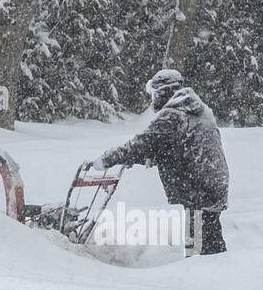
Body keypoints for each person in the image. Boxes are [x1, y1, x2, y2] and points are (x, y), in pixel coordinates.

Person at [89, 69, 230, 256]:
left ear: (163, 92)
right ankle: (217, 269)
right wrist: (149, 156)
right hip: (212, 181)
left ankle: (203, 273)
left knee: (199, 245)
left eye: (154, 94)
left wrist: (105, 160)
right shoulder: (196, 108)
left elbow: (142, 143)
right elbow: (176, 145)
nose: (153, 99)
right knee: (209, 236)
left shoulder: (174, 113)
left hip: (198, 187)